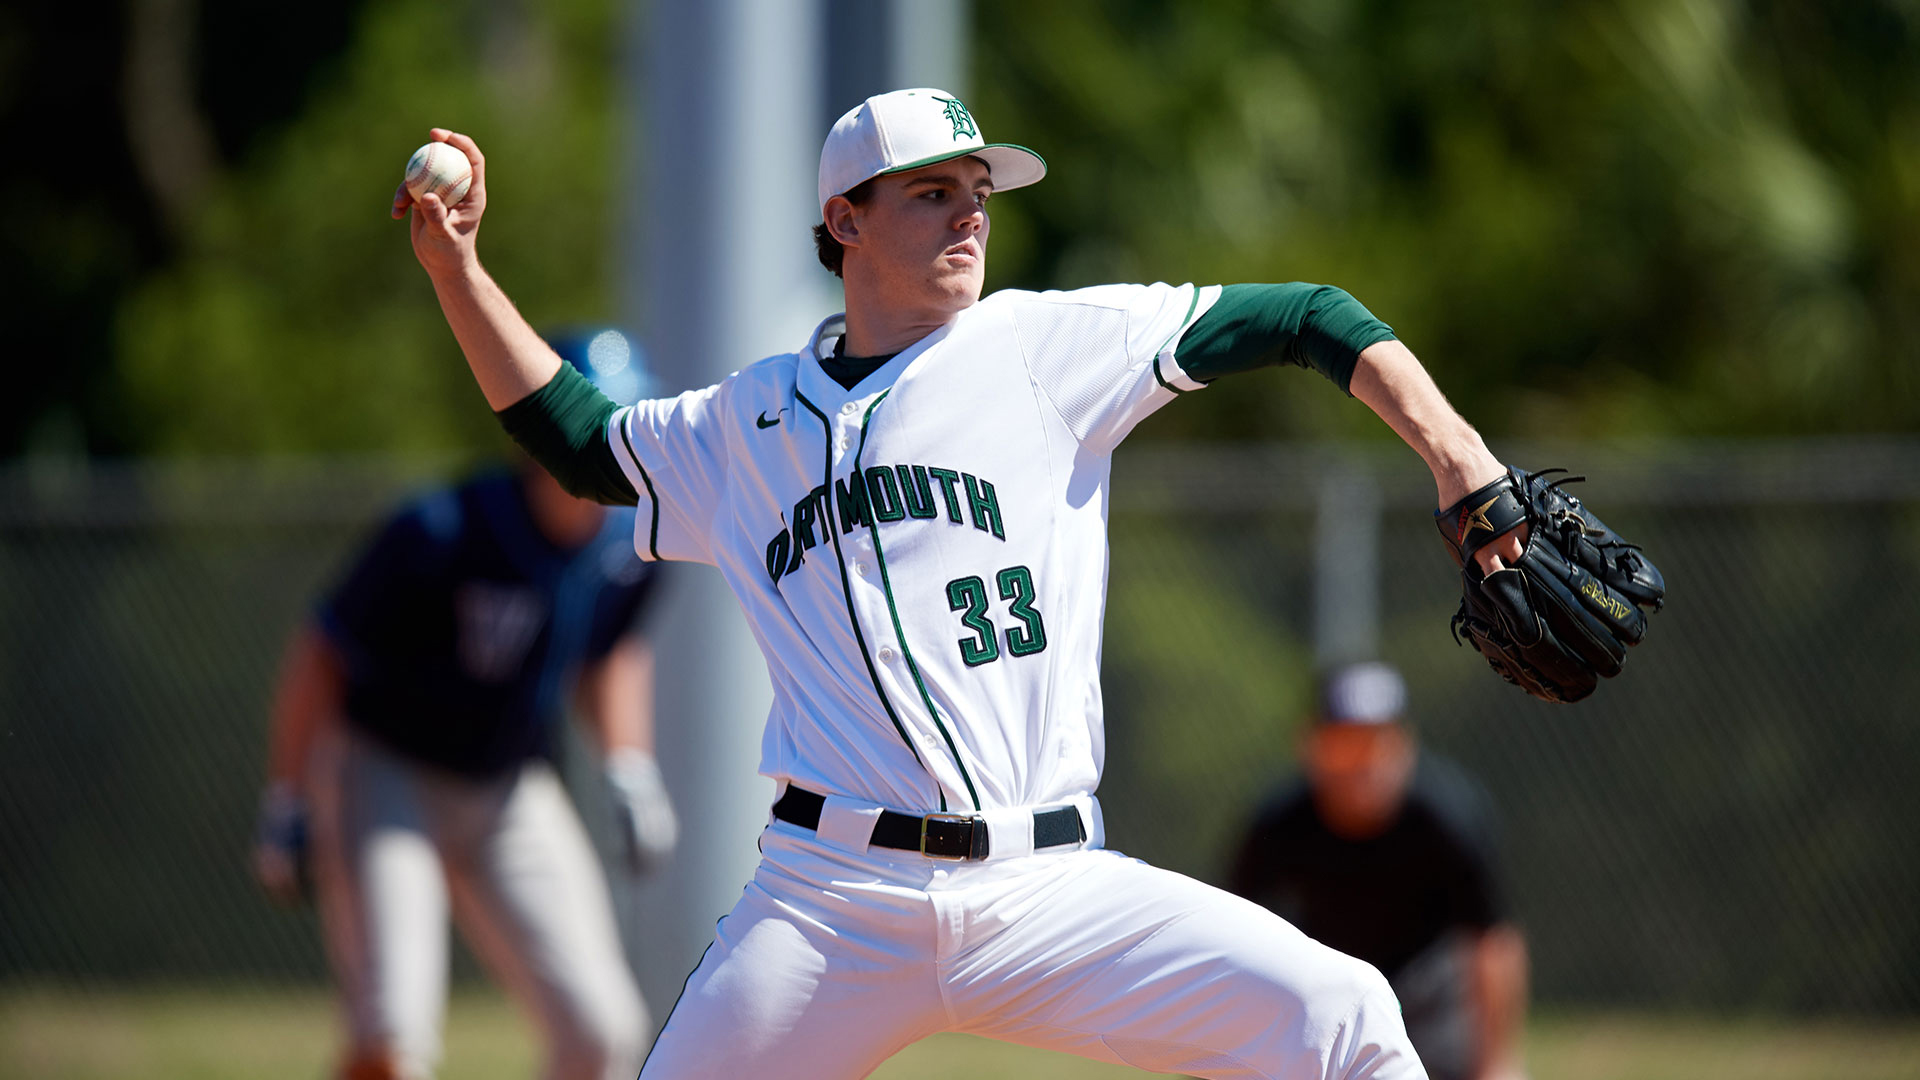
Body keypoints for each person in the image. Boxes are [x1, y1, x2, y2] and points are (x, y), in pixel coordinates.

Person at [391, 87, 1531, 1079]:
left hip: (1046, 886)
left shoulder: (1046, 349)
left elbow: (1307, 316)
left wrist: (1460, 455)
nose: (971, 211)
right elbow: (582, 443)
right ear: (845, 221)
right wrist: (458, 270)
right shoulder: (747, 421)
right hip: (829, 901)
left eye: (978, 189)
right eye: (931, 191)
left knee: (1345, 1018)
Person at [251, 329, 679, 1080]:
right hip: (387, 776)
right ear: (539, 432)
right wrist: (287, 798)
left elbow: (610, 654)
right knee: (393, 1037)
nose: (609, 446)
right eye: (590, 425)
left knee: (603, 1034)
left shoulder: (629, 542)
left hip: (508, 787)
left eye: (622, 425)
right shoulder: (442, 529)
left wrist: (631, 768)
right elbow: (321, 655)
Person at [1229, 663, 1531, 1080]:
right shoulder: (1280, 823)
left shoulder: (1446, 815)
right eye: (1343, 746)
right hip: (1324, 984)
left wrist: (1496, 1065)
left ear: (1404, 747)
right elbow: (1235, 935)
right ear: (1310, 746)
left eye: (1374, 745)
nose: (1361, 767)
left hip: (1426, 993)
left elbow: (1490, 943)